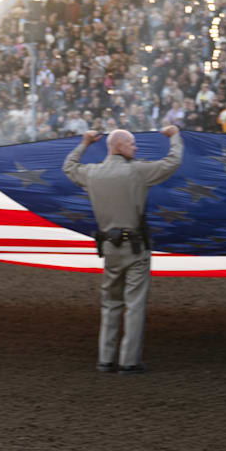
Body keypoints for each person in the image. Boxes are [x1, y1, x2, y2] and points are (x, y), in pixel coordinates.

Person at [62, 126, 183, 375]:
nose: (136, 148)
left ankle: (105, 359)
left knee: (110, 303)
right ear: (118, 146)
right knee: (135, 303)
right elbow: (173, 162)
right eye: (132, 143)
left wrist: (84, 143)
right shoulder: (138, 171)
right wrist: (175, 137)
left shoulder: (92, 173)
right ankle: (129, 361)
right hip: (136, 247)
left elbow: (69, 166)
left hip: (109, 247)